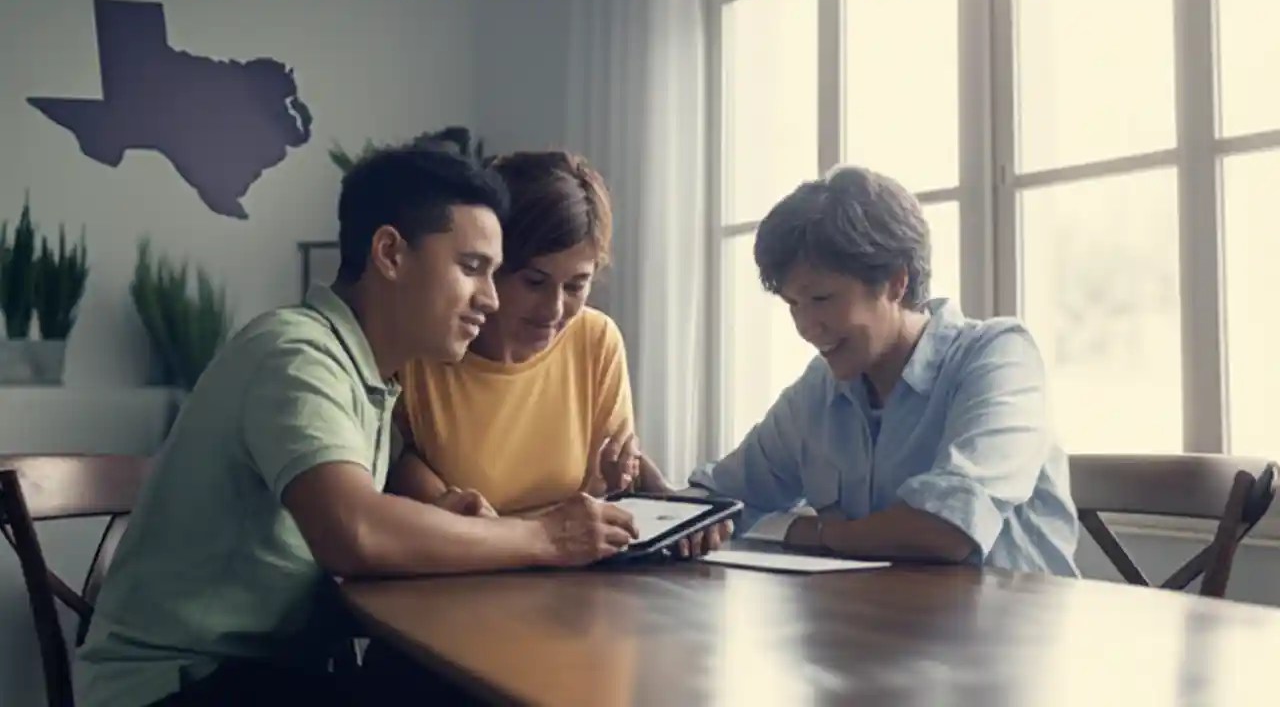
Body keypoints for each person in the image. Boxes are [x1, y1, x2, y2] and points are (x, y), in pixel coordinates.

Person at [76, 146, 640, 707]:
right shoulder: (296, 355)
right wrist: (545, 536)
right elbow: (354, 532)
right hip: (182, 684)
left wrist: (444, 513)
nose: (490, 300)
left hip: (270, 675)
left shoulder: (367, 380)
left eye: (494, 274)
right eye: (471, 268)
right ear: (390, 254)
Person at [623, 166, 1079, 575]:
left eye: (821, 299)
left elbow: (948, 529)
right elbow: (728, 496)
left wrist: (812, 533)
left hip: (1012, 631)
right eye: (793, 305)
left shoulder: (998, 356)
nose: (806, 327)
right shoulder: (820, 389)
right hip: (880, 626)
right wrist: (669, 510)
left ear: (896, 281)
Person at [392, 150, 731, 555]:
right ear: (491, 265)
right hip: (457, 572)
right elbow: (403, 479)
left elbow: (616, 476)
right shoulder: (423, 349)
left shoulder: (595, 340)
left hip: (574, 577)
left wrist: (653, 495)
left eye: (575, 286)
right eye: (535, 282)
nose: (554, 310)